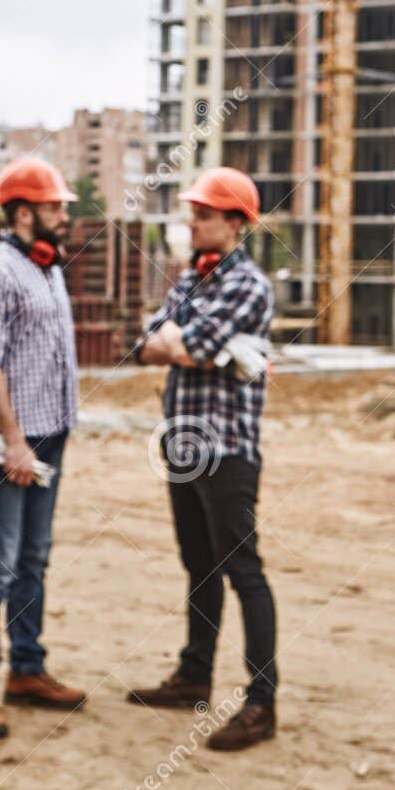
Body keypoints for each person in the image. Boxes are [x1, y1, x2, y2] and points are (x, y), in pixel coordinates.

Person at [127, 166, 279, 752]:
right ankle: (194, 675)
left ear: (236, 224)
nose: (192, 222)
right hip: (184, 449)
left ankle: (261, 702)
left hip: (228, 451)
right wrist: (174, 343)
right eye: (193, 212)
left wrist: (176, 342)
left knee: (245, 572)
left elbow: (188, 345)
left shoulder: (249, 285)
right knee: (199, 565)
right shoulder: (193, 276)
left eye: (204, 214)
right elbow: (149, 344)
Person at [0, 157, 90, 738]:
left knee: (33, 558)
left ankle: (27, 669)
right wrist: (13, 441)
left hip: (50, 434)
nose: (65, 216)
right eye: (57, 206)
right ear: (26, 211)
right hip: (11, 440)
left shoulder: (48, 268)